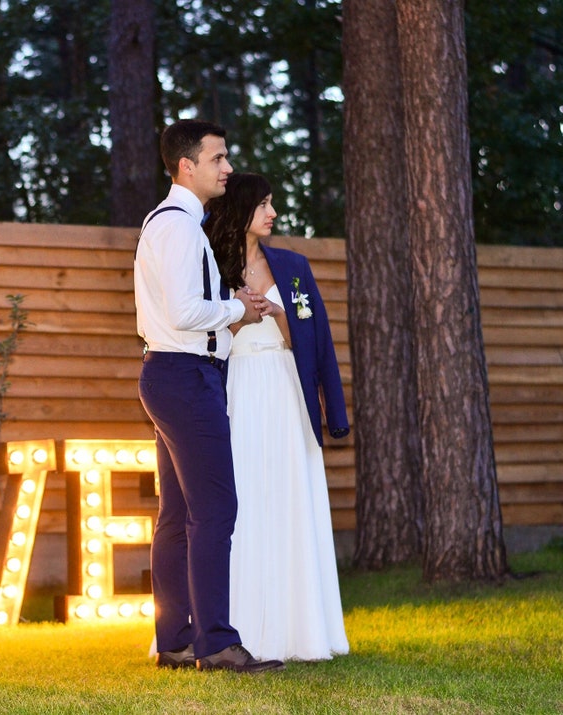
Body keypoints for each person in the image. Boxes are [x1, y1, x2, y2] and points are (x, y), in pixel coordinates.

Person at [134, 120, 284, 674]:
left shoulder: (173, 223)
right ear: (186, 166)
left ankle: (175, 639)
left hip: (170, 373)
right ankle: (216, 644)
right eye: (218, 159)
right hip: (185, 377)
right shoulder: (177, 227)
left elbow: (186, 305)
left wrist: (226, 300)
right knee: (214, 510)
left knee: (176, 514)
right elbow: (183, 314)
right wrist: (236, 310)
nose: (227, 169)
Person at [204, 172, 351, 662]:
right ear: (241, 208)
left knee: (289, 498)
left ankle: (301, 631)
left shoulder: (292, 266)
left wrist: (275, 313)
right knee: (238, 501)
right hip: (235, 394)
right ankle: (230, 631)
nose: (271, 213)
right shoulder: (208, 262)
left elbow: (318, 342)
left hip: (288, 393)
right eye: (263, 204)